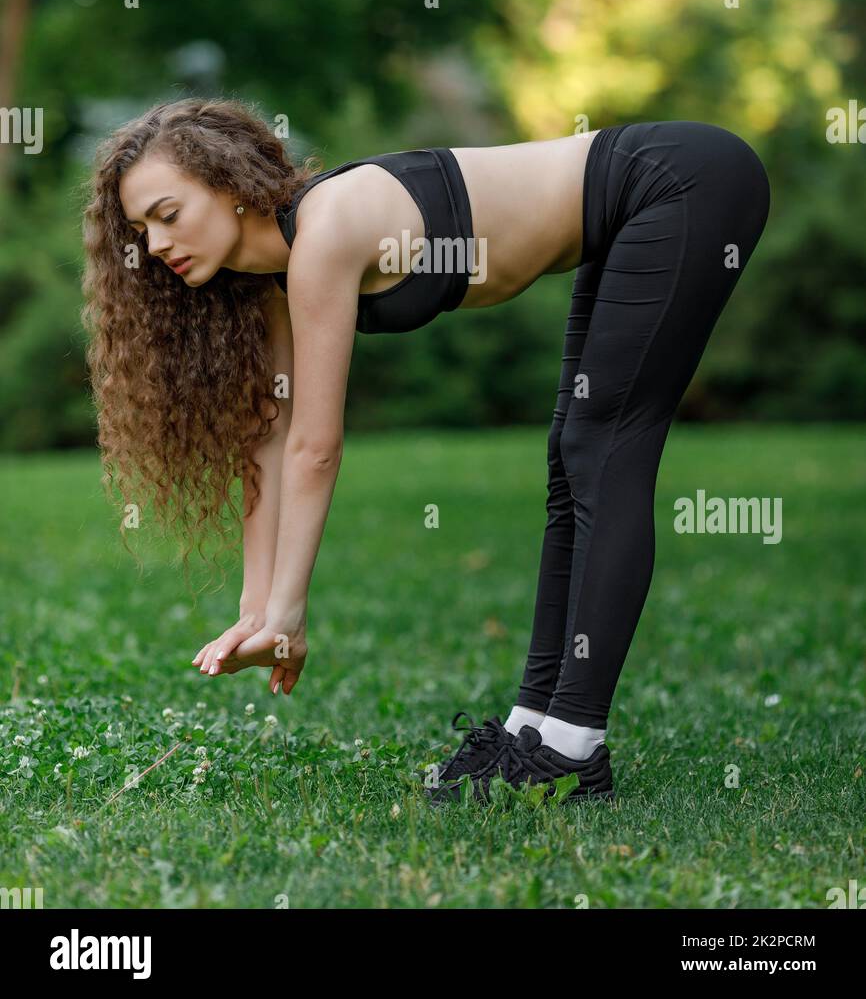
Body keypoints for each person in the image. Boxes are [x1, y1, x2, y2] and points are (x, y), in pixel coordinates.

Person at [82, 97, 770, 805]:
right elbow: (270, 437)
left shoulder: (327, 230)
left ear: (227, 185)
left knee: (600, 446)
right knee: (573, 460)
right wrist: (260, 613)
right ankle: (535, 730)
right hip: (632, 208)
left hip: (680, 180)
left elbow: (317, 448)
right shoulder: (270, 280)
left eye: (168, 213)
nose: (156, 244)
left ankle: (572, 748)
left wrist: (292, 609)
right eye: (140, 229)